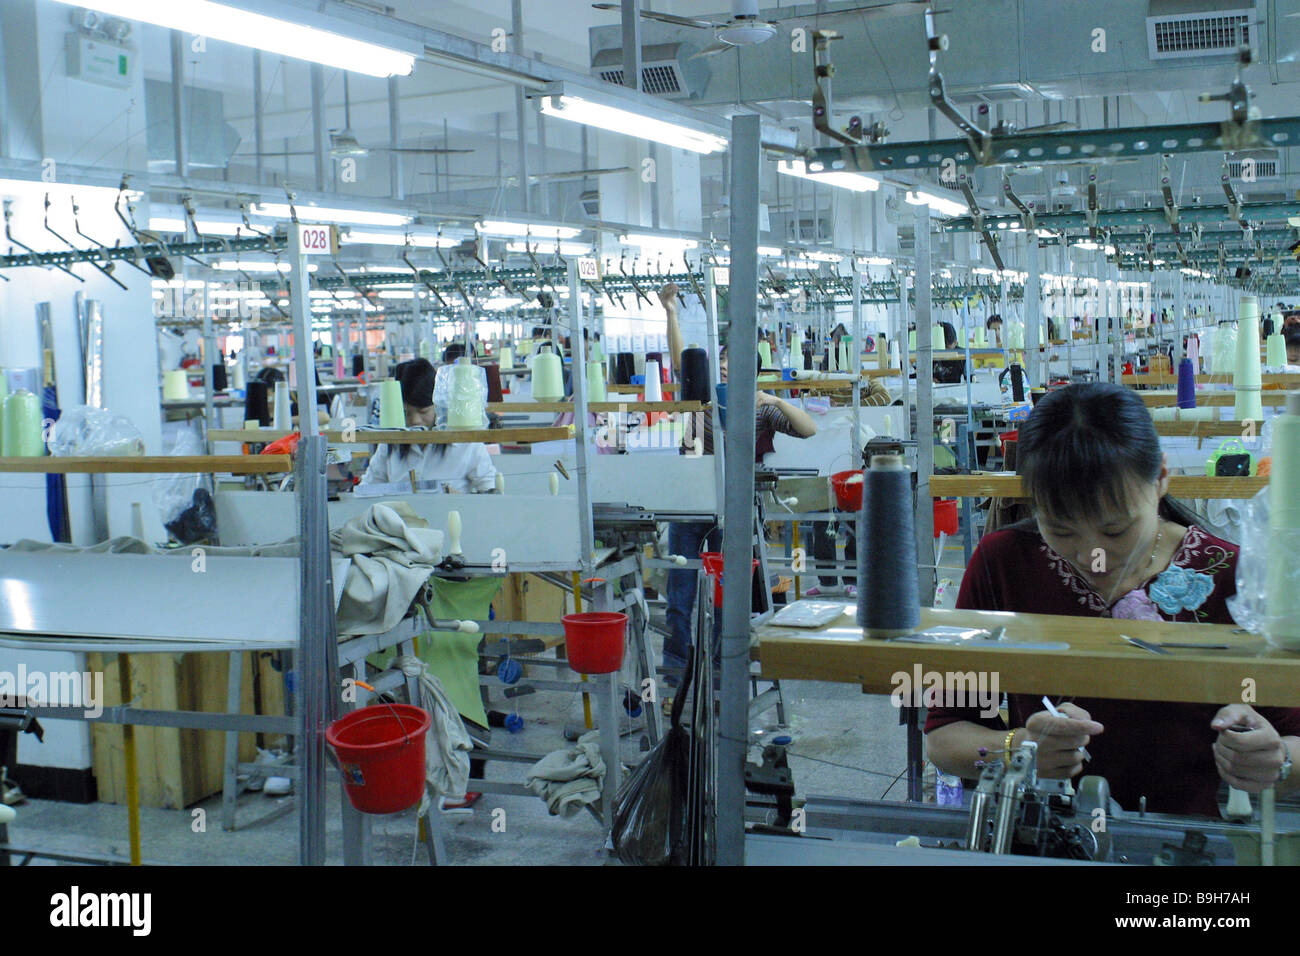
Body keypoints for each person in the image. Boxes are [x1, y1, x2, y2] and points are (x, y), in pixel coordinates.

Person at [925, 384, 1300, 815]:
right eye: (1061, 531)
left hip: (1182, 844)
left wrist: (1275, 760)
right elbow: (944, 735)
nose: (1092, 557)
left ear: (1160, 478)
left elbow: (1293, 737)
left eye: (1115, 531)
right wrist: (1017, 750)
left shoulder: (1229, 575)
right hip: (1045, 833)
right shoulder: (1003, 563)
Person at [660, 282, 816, 679]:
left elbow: (809, 429)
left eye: (734, 368)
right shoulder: (701, 398)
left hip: (733, 506)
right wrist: (671, 312)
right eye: (723, 365)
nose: (726, 370)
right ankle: (676, 669)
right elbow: (682, 361)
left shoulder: (760, 410)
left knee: (724, 592)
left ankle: (719, 667)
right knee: (680, 588)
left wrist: (776, 400)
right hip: (690, 502)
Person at [358, 358, 498, 493]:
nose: (415, 421)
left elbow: (491, 493)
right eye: (406, 413)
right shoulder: (391, 444)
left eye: (423, 411)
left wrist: (455, 496)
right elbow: (368, 489)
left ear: (438, 406)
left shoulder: (465, 444)